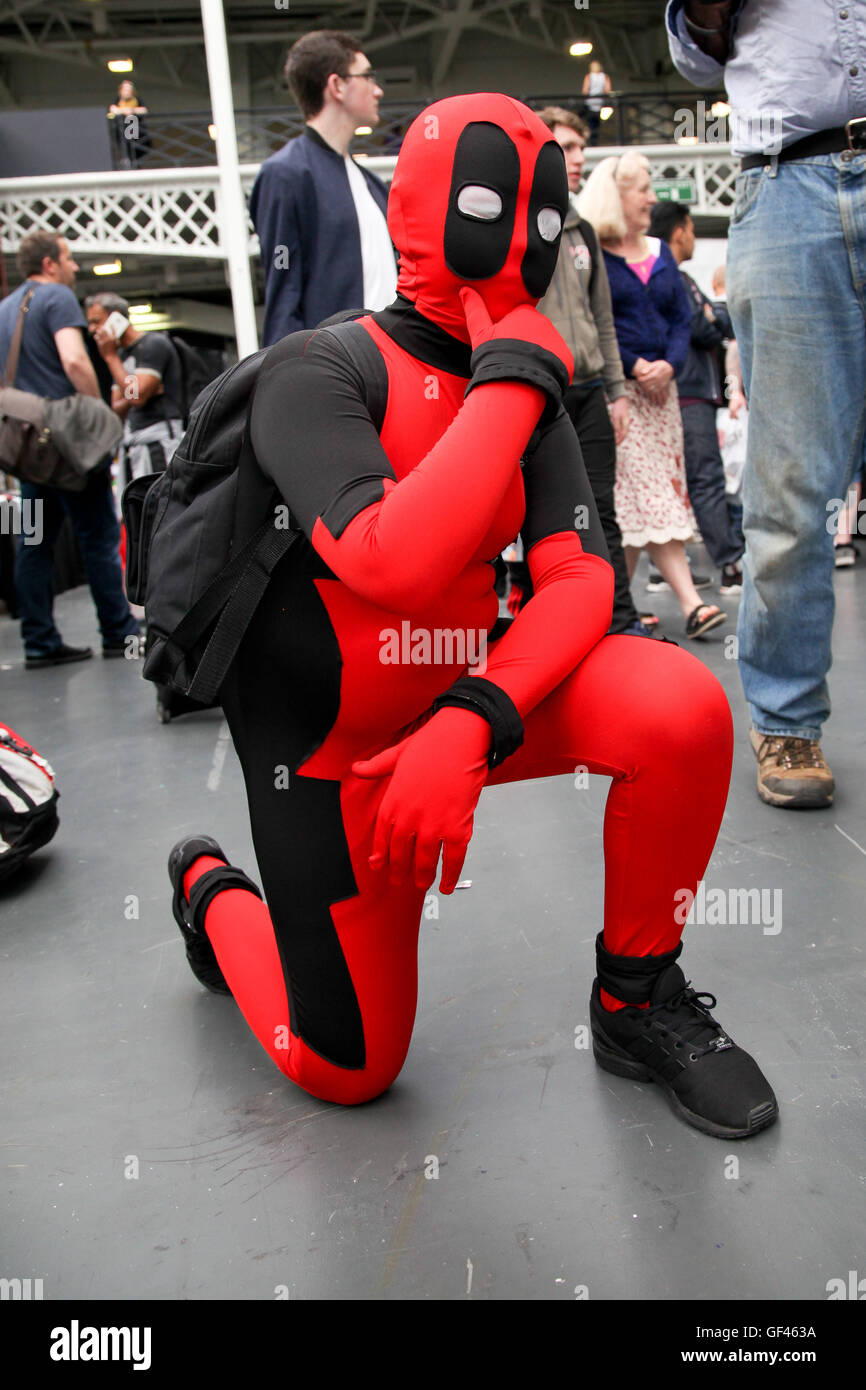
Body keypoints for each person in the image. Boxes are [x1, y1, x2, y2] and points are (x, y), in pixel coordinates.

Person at [166, 94, 777, 1141]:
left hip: (459, 710)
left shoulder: (521, 381)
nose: (524, 241)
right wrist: (513, 375)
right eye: (497, 205)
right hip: (331, 757)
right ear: (422, 209)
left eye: (544, 217)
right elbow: (390, 560)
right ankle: (210, 889)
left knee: (676, 707)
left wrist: (468, 717)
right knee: (347, 1067)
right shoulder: (319, 372)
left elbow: (581, 579)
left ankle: (634, 998)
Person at [666, 0, 862, 809]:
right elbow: (695, 58)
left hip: (794, 186)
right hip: (789, 181)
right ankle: (783, 715)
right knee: (792, 485)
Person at [578, 153, 727, 639]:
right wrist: (630, 366)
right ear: (615, 195)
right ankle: (691, 602)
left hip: (666, 400)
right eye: (642, 188)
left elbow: (682, 320)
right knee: (652, 496)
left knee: (640, 504)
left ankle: (610, 606)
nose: (652, 199)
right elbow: (594, 321)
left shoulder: (661, 252)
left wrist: (670, 363)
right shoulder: (593, 252)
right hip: (620, 397)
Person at [536, 106, 655, 637]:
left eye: (582, 148)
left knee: (601, 512)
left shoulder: (582, 229)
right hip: (538, 396)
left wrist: (617, 391)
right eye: (566, 147)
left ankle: (621, 623)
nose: (579, 158)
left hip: (589, 394)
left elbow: (601, 317)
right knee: (543, 518)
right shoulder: (517, 227)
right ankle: (556, 625)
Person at [0, 233, 140, 668]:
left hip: (29, 453)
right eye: (69, 258)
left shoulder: (4, 308)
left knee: (34, 542)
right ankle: (118, 631)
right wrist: (96, 414)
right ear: (49, 263)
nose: (75, 267)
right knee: (96, 537)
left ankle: (39, 641)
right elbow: (75, 360)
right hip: (69, 447)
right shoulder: (57, 297)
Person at [250, 30, 397, 347]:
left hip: (389, 368)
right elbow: (283, 293)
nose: (378, 90)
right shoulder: (285, 174)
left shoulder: (372, 185)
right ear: (337, 86)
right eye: (368, 77)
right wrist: (287, 381)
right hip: (334, 374)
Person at [650, 200, 744, 594]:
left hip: (682, 391)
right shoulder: (673, 278)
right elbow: (704, 327)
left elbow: (715, 321)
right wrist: (708, 317)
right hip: (688, 392)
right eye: (689, 228)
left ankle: (667, 569)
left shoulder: (672, 277)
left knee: (678, 480)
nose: (691, 236)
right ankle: (730, 564)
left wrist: (710, 317)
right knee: (704, 477)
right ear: (679, 231)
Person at [84, 293, 184, 484]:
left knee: (160, 503)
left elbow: (136, 397)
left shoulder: (152, 345)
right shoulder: (122, 354)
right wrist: (134, 390)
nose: (92, 329)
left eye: (97, 321)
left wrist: (111, 359)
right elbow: (117, 405)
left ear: (116, 317)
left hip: (158, 441)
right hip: (132, 441)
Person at [107, 79, 149, 169]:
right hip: (121, 130)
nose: (127, 92)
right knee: (125, 147)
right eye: (125, 90)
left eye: (129, 90)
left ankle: (134, 161)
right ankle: (128, 160)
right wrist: (125, 110)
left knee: (137, 148)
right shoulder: (118, 100)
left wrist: (132, 110)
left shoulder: (137, 100)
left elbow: (144, 110)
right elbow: (113, 110)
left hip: (136, 130)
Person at [582, 59, 611, 144]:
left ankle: (592, 141)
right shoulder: (605, 77)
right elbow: (607, 90)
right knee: (597, 123)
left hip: (590, 102)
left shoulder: (589, 77)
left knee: (590, 123)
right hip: (599, 102)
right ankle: (595, 140)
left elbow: (585, 91)